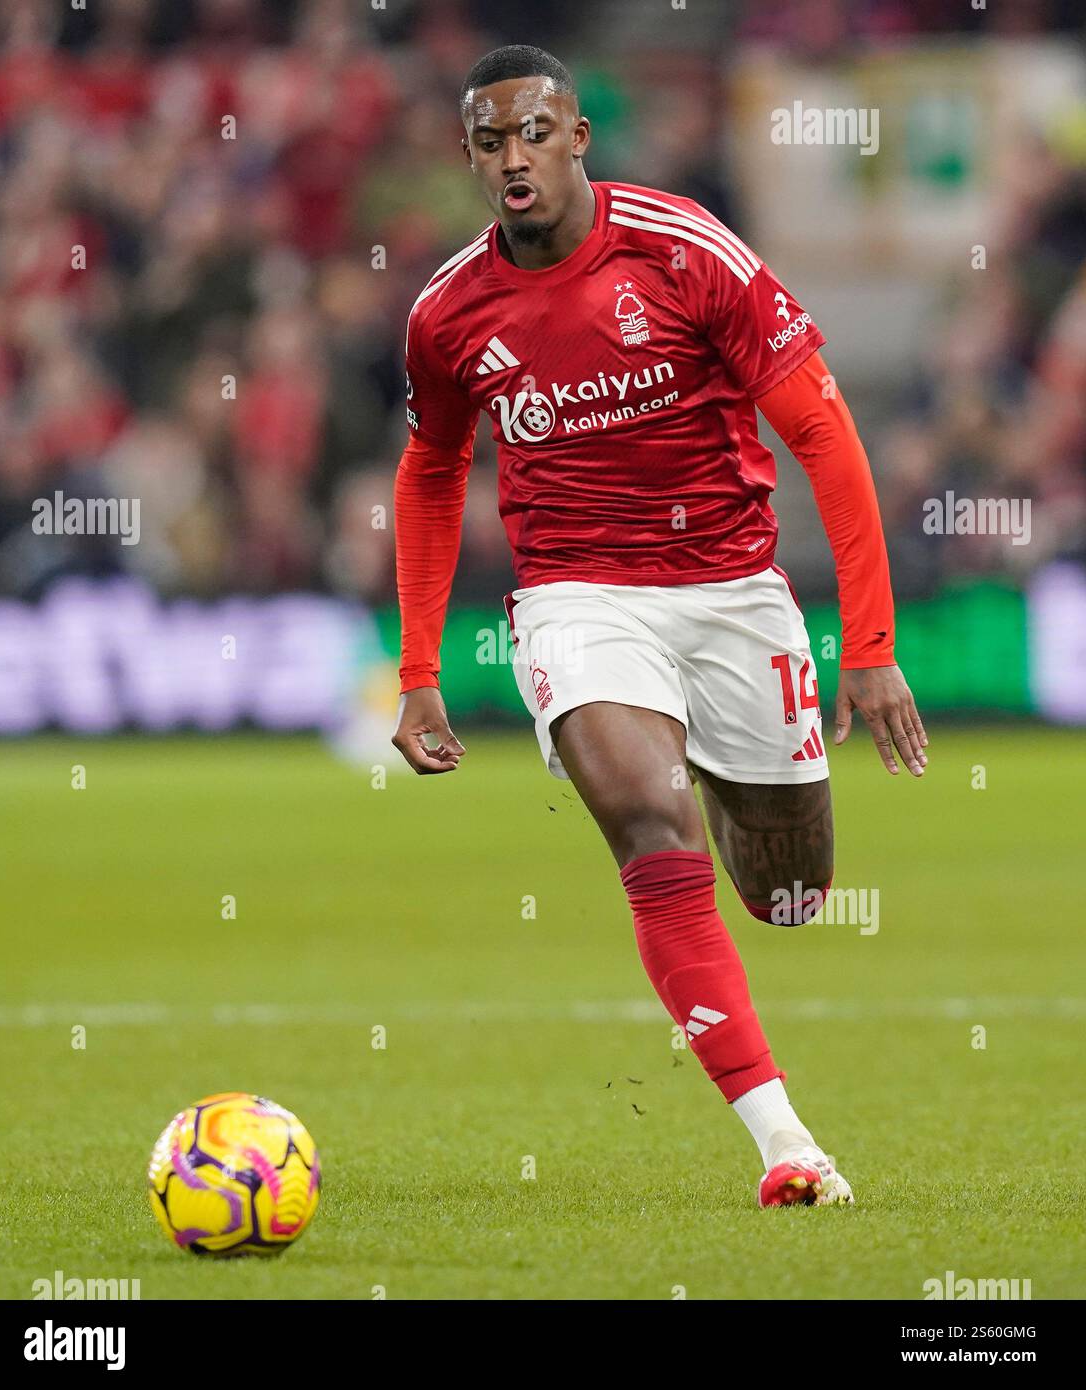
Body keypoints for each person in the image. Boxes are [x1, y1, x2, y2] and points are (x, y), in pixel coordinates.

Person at [392, 45, 927, 1207]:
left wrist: (869, 649)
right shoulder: (447, 313)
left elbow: (824, 436)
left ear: (578, 137)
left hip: (732, 593)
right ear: (471, 160)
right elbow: (432, 468)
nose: (512, 158)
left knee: (787, 896)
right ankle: (787, 1145)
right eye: (488, 142)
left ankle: (711, 753)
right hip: (577, 595)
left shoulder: (685, 251)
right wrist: (418, 665)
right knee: (646, 822)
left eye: (533, 132)